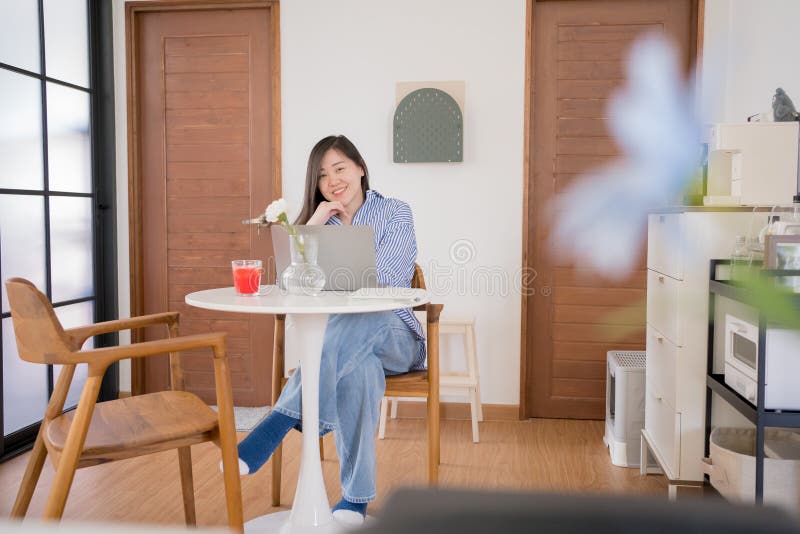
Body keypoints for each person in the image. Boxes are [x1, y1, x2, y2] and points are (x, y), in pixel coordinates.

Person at [233, 135, 426, 524]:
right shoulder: (315, 223)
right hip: (349, 351)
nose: (333, 181)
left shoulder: (395, 213)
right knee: (360, 371)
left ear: (360, 169)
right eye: (322, 175)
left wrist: (334, 284)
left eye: (340, 169)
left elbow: (386, 281)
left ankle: (280, 418)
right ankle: (355, 500)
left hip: (396, 337)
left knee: (365, 312)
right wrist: (315, 227)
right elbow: (291, 290)